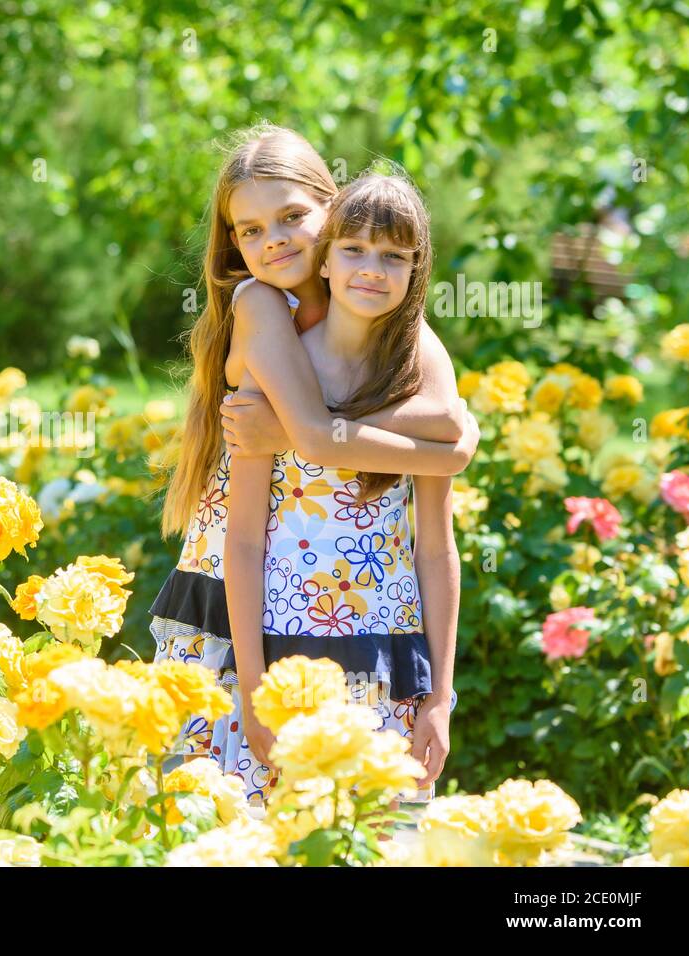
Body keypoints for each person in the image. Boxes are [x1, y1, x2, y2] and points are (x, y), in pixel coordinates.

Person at [154, 124, 472, 805]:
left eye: (293, 216)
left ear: (333, 205)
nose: (274, 240)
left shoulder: (406, 341)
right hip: (253, 623)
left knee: (358, 831)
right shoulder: (262, 306)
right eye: (249, 230)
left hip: (373, 635)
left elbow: (436, 544)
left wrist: (440, 695)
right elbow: (321, 443)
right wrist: (447, 446)